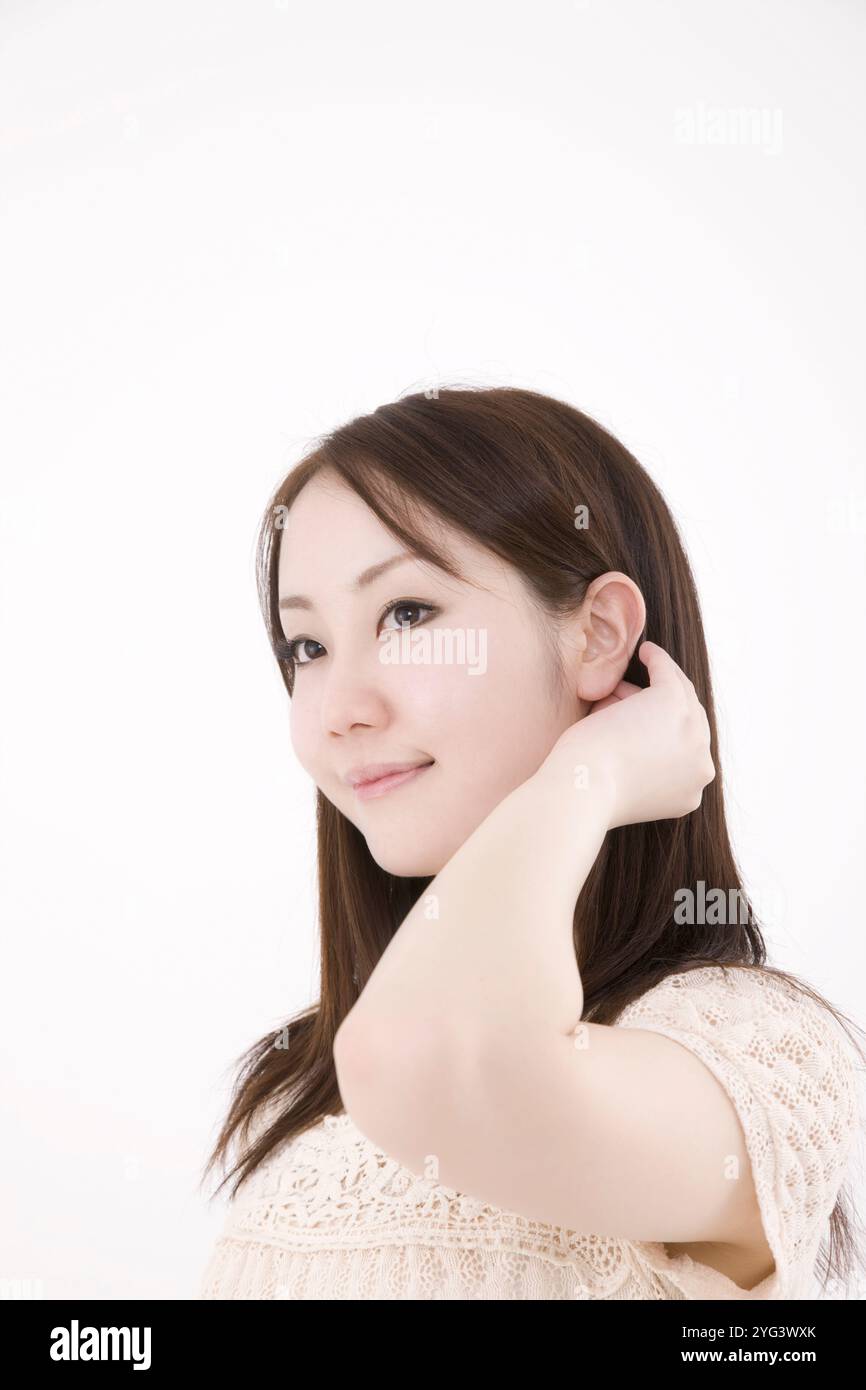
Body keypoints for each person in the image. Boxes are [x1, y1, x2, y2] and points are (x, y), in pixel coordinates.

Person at [199, 386, 863, 1300]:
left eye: (406, 616)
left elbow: (435, 1065)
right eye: (307, 646)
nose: (340, 712)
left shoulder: (747, 1053)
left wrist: (589, 778)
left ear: (599, 636)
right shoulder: (303, 1088)